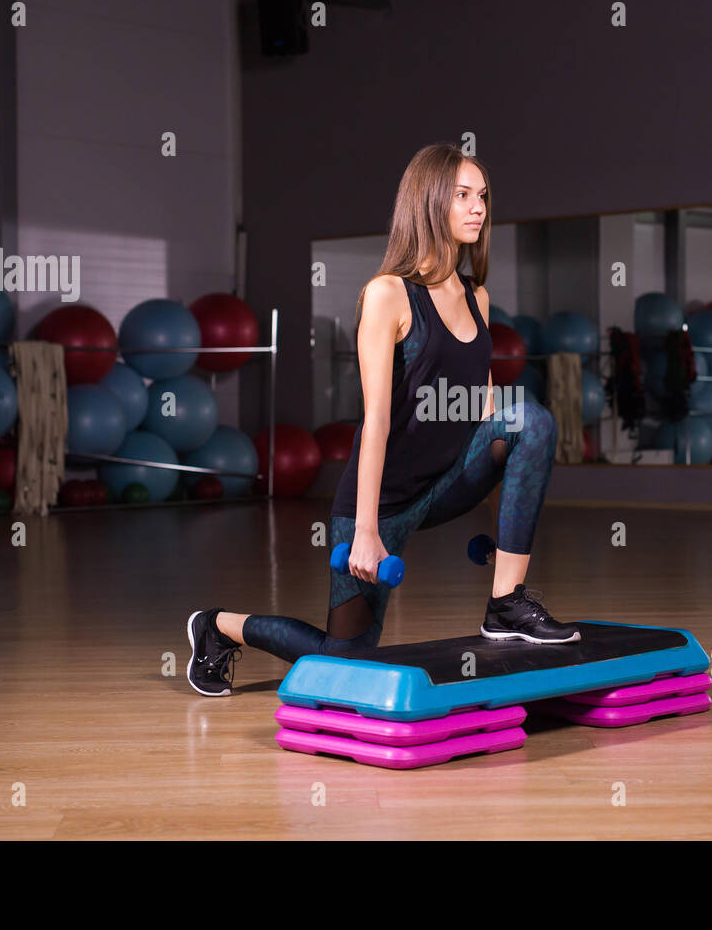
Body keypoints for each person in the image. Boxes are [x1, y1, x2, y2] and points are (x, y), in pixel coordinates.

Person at [186, 143, 578, 697]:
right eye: (462, 196)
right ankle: (217, 626)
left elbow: (487, 412)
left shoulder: (478, 298)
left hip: (446, 483)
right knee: (344, 659)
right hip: (385, 500)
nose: (478, 208)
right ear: (428, 202)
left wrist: (502, 544)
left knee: (529, 417)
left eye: (483, 196)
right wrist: (367, 534)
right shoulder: (388, 295)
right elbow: (375, 424)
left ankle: (506, 603)